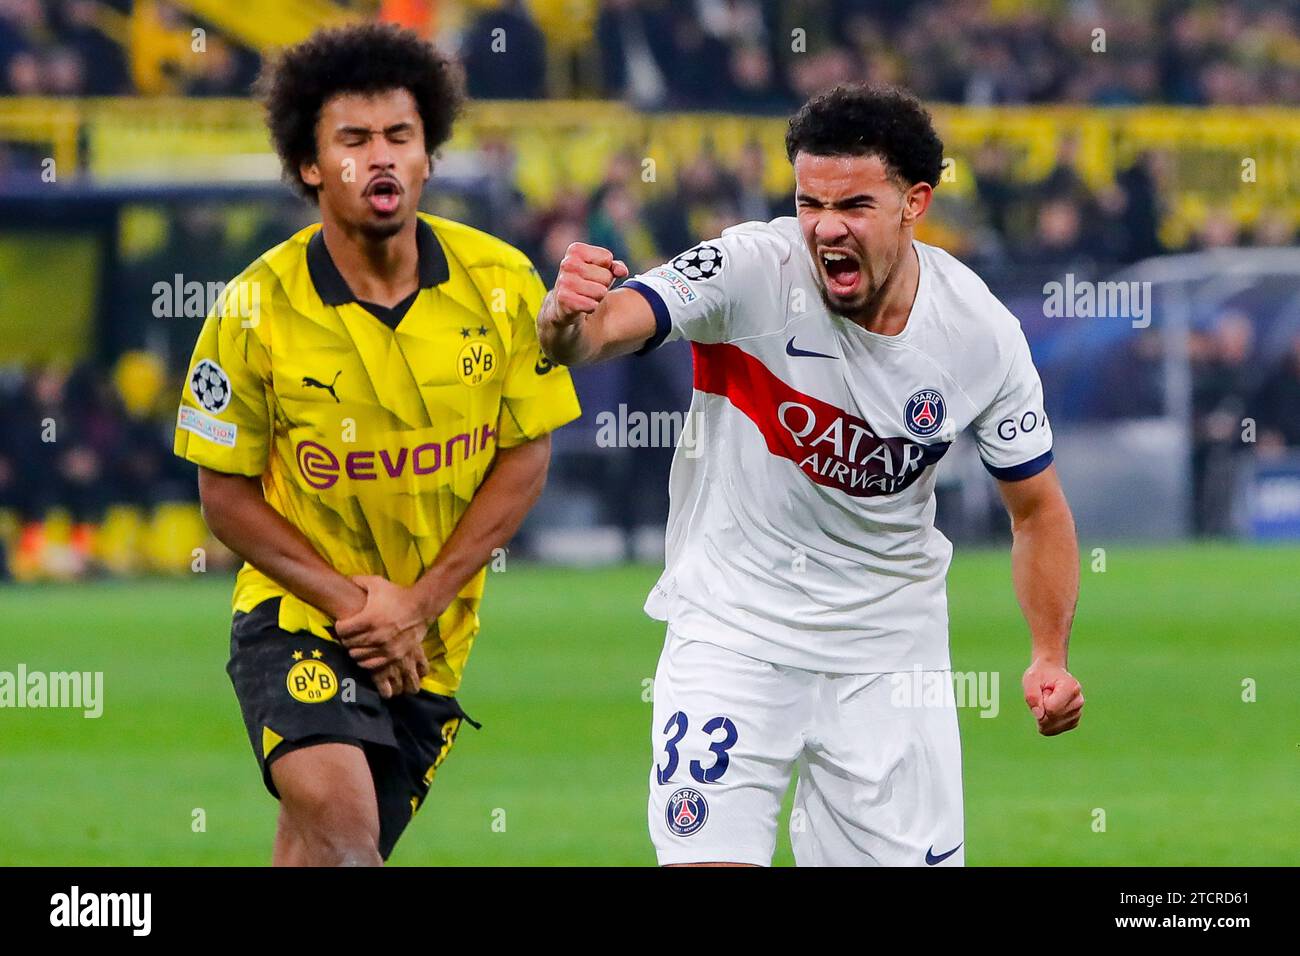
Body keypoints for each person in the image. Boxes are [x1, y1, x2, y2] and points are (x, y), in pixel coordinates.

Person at [537, 84, 1084, 867]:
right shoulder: (750, 267)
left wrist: (1048, 656)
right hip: (732, 635)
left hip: (890, 655)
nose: (826, 226)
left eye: (855, 204)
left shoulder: (979, 335)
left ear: (913, 203)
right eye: (809, 201)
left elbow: (1037, 510)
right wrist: (566, 321)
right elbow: (605, 330)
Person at [173, 24, 580, 865]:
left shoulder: (503, 284)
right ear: (311, 165)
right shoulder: (254, 307)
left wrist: (419, 604)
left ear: (429, 154)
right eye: (353, 140)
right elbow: (225, 494)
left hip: (428, 645)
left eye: (401, 136)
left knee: (317, 855)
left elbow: (524, 455)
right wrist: (357, 606)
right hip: (301, 617)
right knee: (352, 847)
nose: (381, 158)